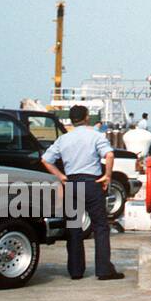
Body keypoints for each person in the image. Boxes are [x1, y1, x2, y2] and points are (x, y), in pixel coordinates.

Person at [40, 104, 123, 281]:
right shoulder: (95, 136)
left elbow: (45, 160)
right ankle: (104, 270)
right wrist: (107, 175)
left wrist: (61, 177)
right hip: (92, 184)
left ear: (71, 120)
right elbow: (109, 155)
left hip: (72, 183)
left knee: (74, 228)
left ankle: (76, 271)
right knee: (100, 226)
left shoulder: (63, 139)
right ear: (86, 117)